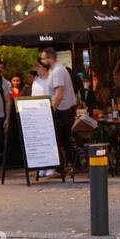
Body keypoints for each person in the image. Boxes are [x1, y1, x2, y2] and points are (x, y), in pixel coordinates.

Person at [40, 47, 77, 176]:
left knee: (58, 139)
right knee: (63, 139)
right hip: (63, 109)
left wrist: (52, 110)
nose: (42, 60)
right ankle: (70, 165)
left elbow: (59, 93)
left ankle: (62, 167)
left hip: (61, 110)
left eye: (43, 58)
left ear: (49, 58)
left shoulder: (57, 71)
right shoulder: (55, 70)